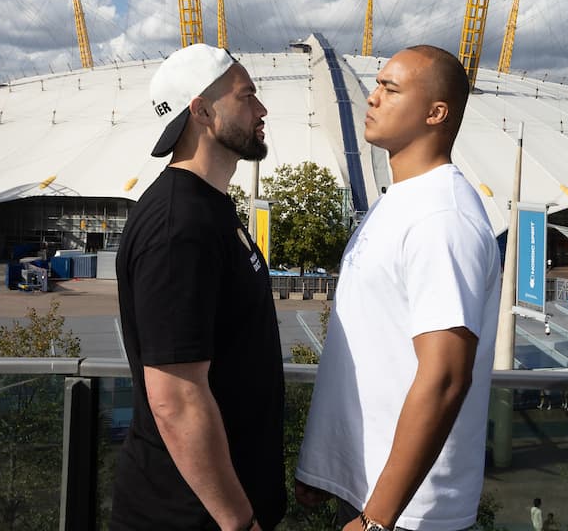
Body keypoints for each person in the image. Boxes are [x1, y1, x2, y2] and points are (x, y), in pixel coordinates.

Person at [294, 46, 501, 531]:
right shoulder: (399, 202)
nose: (372, 97)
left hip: (408, 515)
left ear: (435, 112)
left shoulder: (443, 217)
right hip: (367, 492)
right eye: (377, 84)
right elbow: (372, 349)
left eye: (390, 88)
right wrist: (325, 465)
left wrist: (377, 519)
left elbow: (446, 378)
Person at [111, 44, 285, 530]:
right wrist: (237, 520)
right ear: (203, 111)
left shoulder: (209, 208)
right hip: (191, 515)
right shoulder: (178, 226)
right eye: (247, 96)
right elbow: (175, 399)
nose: (262, 109)